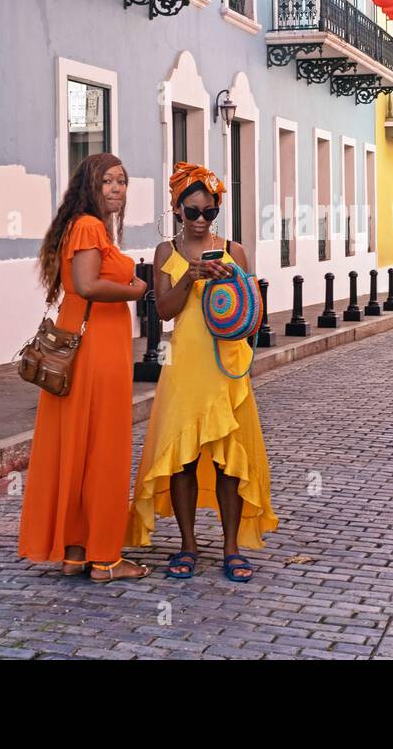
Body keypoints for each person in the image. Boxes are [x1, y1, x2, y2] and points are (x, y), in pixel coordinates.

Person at [127, 162, 277, 582]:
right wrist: (190, 277)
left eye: (208, 212)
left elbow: (251, 309)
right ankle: (188, 545)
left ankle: (231, 548)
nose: (200, 220)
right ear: (177, 210)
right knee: (182, 459)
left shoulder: (235, 249)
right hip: (184, 366)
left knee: (231, 461)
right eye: (191, 211)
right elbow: (165, 310)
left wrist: (231, 282)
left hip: (226, 366)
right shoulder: (165, 253)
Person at [18, 153, 151, 583]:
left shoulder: (82, 226)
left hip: (85, 341)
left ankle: (76, 550)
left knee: (80, 444)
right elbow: (89, 285)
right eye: (108, 181)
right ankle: (107, 558)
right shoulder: (90, 226)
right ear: (89, 186)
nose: (116, 189)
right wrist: (137, 288)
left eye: (122, 181)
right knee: (105, 448)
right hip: (97, 348)